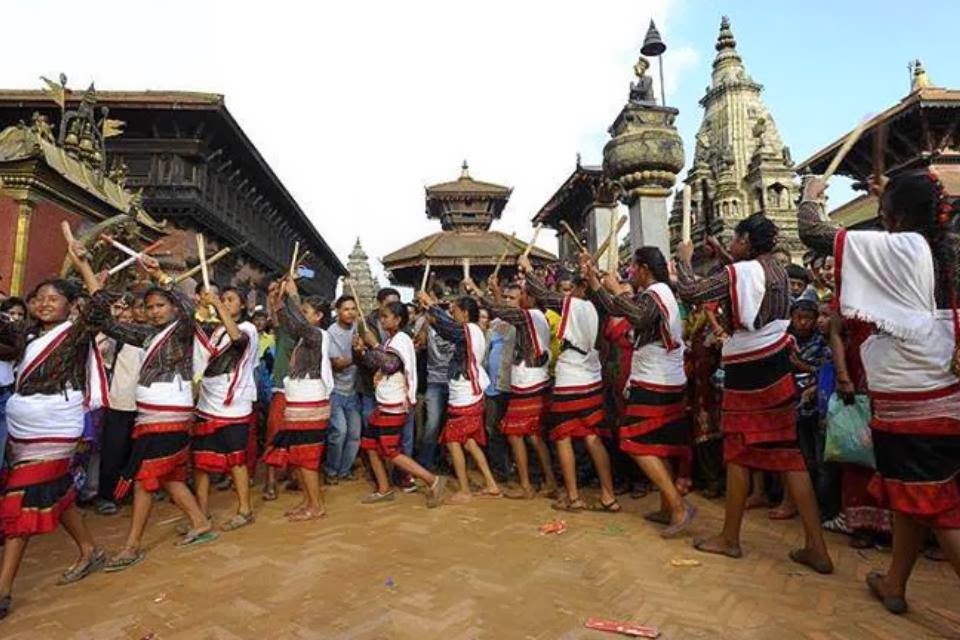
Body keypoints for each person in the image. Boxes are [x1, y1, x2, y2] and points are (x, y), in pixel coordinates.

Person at [799, 171, 960, 613]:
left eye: (885, 215)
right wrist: (891, 198)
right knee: (914, 496)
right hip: (941, 394)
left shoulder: (905, 249)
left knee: (938, 508)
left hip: (914, 401)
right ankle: (894, 583)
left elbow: (813, 231)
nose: (883, 223)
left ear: (898, 218)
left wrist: (811, 195)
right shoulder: (946, 248)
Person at [676, 212, 833, 574]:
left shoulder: (741, 272)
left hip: (749, 369)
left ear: (746, 240)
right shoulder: (778, 269)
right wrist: (723, 255)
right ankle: (817, 547)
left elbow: (691, 291)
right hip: (776, 363)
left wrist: (685, 260)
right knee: (788, 454)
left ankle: (730, 538)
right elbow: (749, 281)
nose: (731, 245)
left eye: (735, 239)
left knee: (737, 451)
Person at [72, 253, 216, 571]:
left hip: (169, 415)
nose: (154, 311)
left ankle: (132, 545)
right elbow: (107, 323)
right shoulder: (146, 335)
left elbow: (189, 308)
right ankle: (199, 522)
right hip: (149, 416)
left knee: (143, 478)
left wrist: (160, 275)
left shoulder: (182, 330)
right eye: (149, 307)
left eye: (160, 305)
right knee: (170, 478)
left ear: (173, 308)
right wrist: (91, 277)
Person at [0, 278, 106, 619]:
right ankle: (89, 550)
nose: (45, 303)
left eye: (53, 298)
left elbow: (99, 310)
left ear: (70, 305)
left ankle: (3, 589)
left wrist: (85, 269)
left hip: (55, 427)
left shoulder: (76, 334)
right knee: (56, 489)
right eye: (39, 298)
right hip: (24, 429)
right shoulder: (26, 334)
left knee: (22, 499)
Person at [583, 247, 696, 537]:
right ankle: (667, 507)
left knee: (634, 442)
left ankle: (678, 507)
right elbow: (619, 310)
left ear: (644, 269)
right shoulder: (657, 294)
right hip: (662, 376)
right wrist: (595, 284)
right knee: (658, 445)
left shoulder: (656, 293)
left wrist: (614, 289)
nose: (629, 272)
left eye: (633, 267)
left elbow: (638, 317)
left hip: (655, 379)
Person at [519, 254, 618, 513]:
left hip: (571, 381)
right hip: (591, 379)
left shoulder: (574, 306)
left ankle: (573, 497)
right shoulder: (597, 308)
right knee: (592, 437)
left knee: (563, 437)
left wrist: (529, 270)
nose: (568, 293)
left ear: (582, 287)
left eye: (571, 287)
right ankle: (608, 496)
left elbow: (543, 294)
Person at [466, 276, 559, 499]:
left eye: (520, 296)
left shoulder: (529, 316)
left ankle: (526, 485)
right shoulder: (538, 317)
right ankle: (549, 481)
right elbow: (503, 312)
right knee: (533, 436)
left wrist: (479, 291)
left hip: (527, 382)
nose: (515, 301)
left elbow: (502, 311)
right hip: (533, 380)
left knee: (516, 434)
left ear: (530, 298)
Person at [354, 300, 447, 506]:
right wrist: (363, 351)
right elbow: (378, 362)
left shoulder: (401, 339)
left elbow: (390, 364)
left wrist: (373, 344)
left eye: (385, 316)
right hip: (386, 402)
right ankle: (384, 488)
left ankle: (432, 480)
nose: (382, 320)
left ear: (397, 320)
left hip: (394, 404)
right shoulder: (392, 340)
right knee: (370, 444)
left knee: (390, 451)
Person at [416, 292, 501, 502]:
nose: (452, 315)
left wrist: (431, 305)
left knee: (453, 441)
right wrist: (431, 315)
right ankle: (491, 484)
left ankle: (464, 489)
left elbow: (449, 328)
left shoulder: (468, 330)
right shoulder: (473, 331)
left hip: (465, 394)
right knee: (469, 442)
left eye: (454, 311)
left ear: (464, 313)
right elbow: (447, 330)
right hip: (468, 392)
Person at [263, 278, 331, 521]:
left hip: (309, 404)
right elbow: (289, 324)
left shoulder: (316, 335)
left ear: (318, 317)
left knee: (307, 457)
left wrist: (293, 296)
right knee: (300, 455)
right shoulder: (304, 337)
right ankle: (308, 501)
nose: (301, 315)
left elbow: (298, 324)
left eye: (306, 311)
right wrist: (278, 301)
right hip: (300, 402)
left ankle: (316, 505)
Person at [193, 285, 259, 531]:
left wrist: (218, 306)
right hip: (207, 401)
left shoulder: (248, 328)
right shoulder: (216, 331)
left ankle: (245, 510)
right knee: (201, 460)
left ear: (243, 305)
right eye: (223, 299)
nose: (226, 302)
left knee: (236, 459)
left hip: (233, 405)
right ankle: (200, 513)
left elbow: (237, 340)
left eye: (231, 299)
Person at [94, 293, 140, 516]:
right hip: (119, 402)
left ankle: (126, 492)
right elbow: (99, 349)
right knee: (113, 452)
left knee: (134, 453)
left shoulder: (150, 336)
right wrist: (110, 324)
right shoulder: (117, 337)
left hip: (144, 405)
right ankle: (106, 495)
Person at [326, 295, 363, 483]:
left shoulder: (360, 328)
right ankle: (331, 470)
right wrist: (357, 355)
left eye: (353, 309)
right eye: (346, 309)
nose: (350, 312)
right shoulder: (331, 333)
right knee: (339, 431)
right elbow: (337, 364)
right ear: (338, 311)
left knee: (354, 434)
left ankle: (345, 471)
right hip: (335, 390)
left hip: (353, 390)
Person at [480, 304, 513, 481]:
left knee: (509, 429)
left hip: (511, 386)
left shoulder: (517, 328)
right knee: (492, 428)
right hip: (492, 388)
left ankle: (509, 465)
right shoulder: (493, 330)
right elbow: (485, 359)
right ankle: (501, 467)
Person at [0, 297, 26, 473]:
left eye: (19, 314)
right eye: (11, 313)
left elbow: (17, 351)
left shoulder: (24, 335)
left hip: (6, 394)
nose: (15, 318)